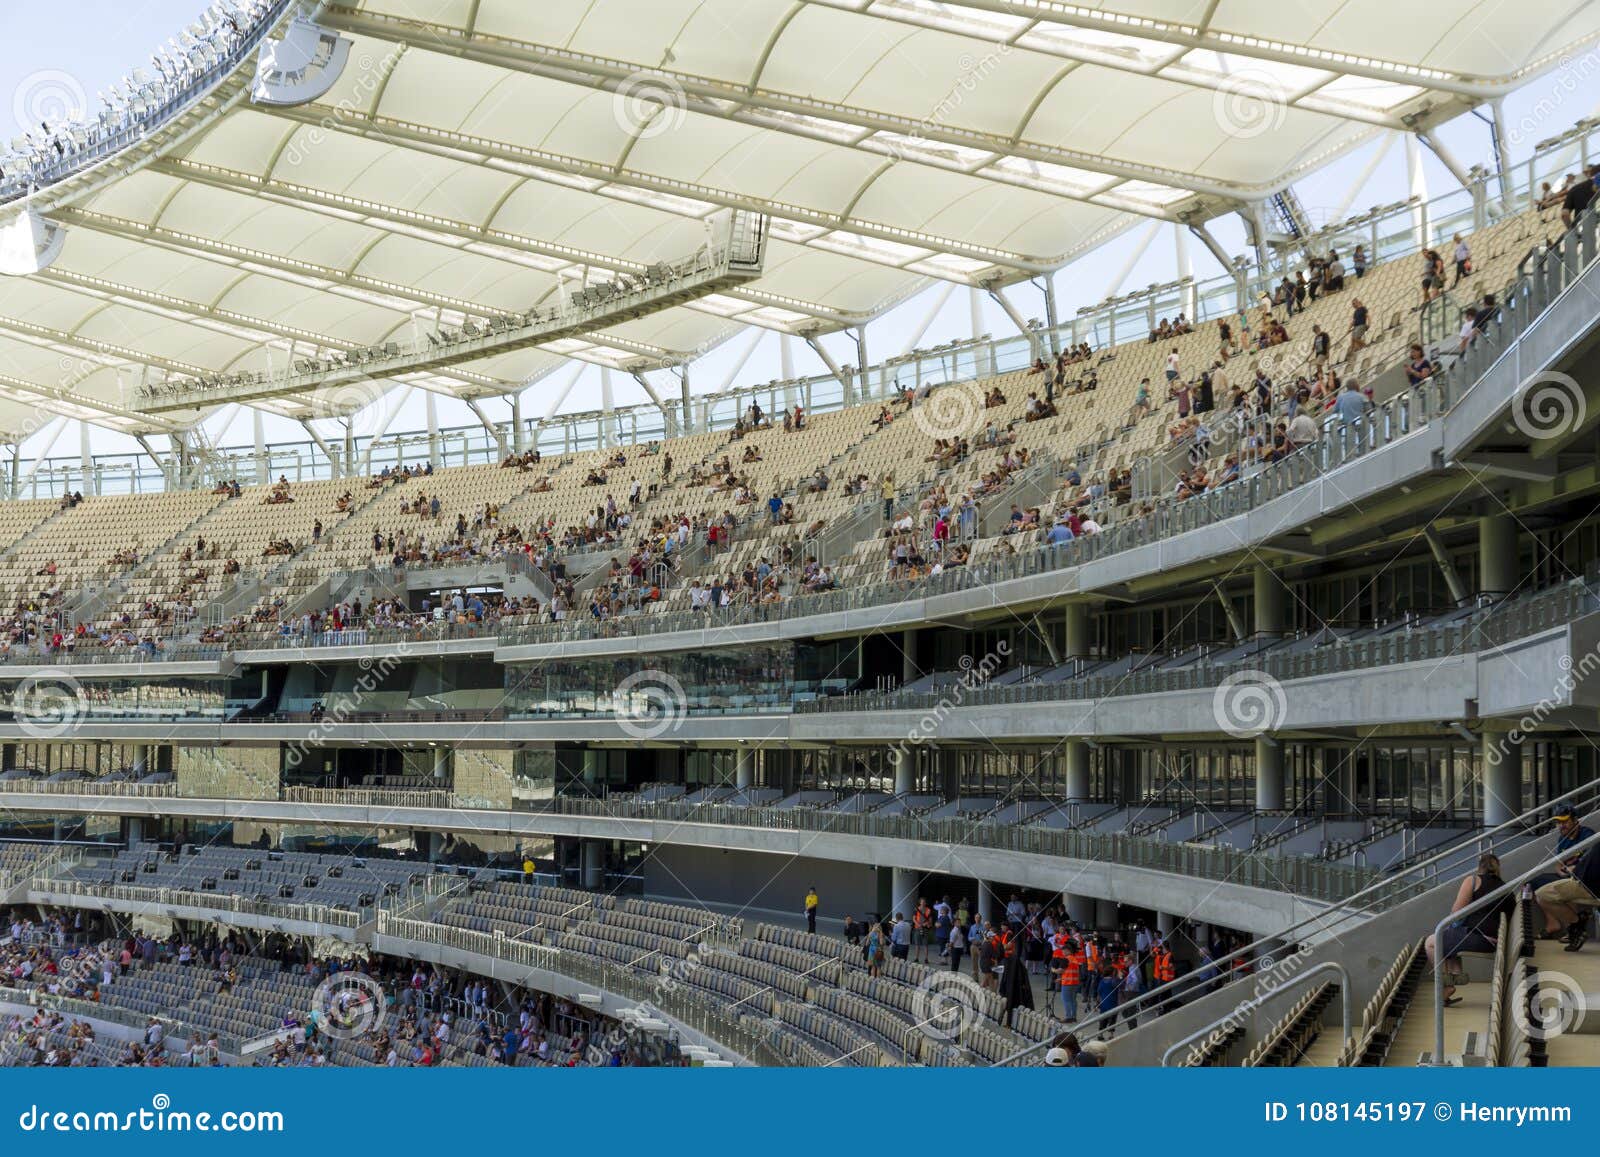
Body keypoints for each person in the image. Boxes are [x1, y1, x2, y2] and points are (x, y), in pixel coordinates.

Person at [1425, 854, 1513, 1005]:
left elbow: (1456, 912)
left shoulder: (1472, 880)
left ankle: (1446, 986)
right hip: (1493, 941)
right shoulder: (1506, 888)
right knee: (1449, 938)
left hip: (1477, 937)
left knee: (1431, 943)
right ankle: (1454, 973)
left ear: (1480, 867)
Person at [1535, 840, 1600, 950]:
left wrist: (1576, 870)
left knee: (1542, 894)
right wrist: (1575, 868)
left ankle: (1576, 926)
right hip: (1584, 883)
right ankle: (1576, 925)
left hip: (1587, 886)